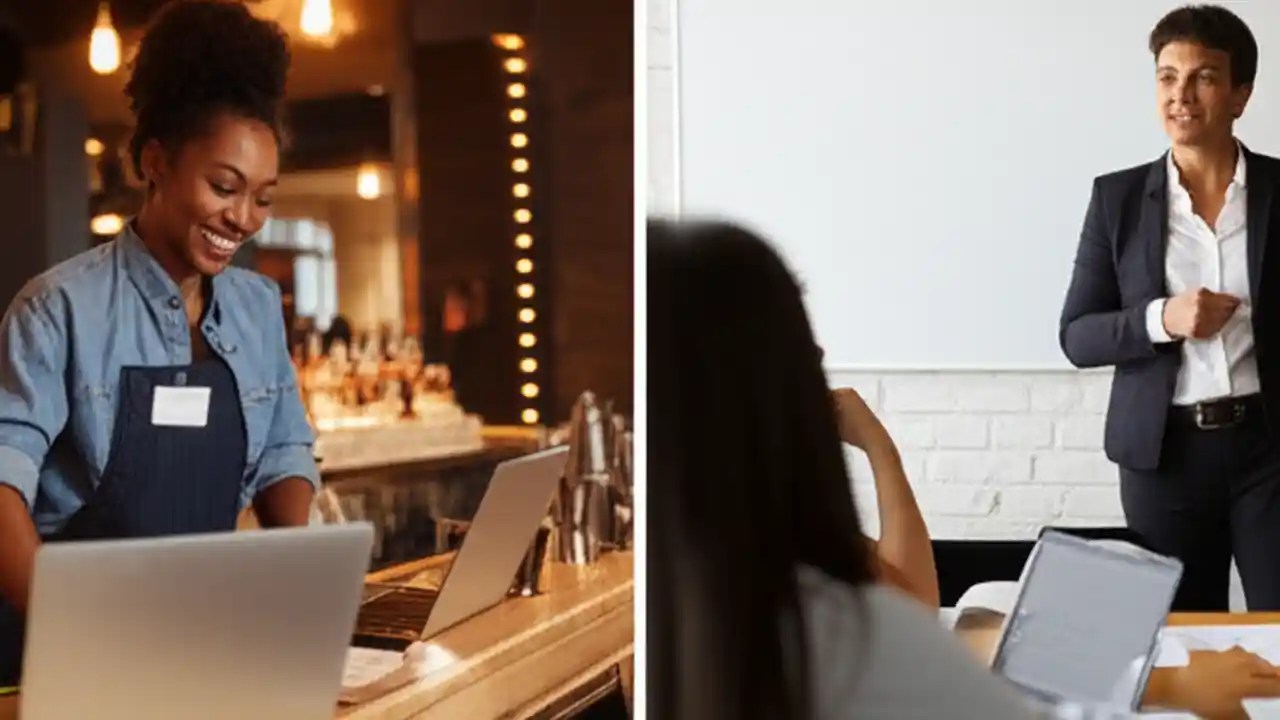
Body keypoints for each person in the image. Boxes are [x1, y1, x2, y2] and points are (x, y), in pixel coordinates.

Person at [0, 0, 318, 683]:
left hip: (201, 640)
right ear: (156, 162)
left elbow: (284, 454)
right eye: (223, 187)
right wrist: (73, 631)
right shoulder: (59, 308)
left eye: (263, 197)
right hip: (70, 658)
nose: (242, 219)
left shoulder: (259, 309)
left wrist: (307, 589)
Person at [648, 219, 1033, 719]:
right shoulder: (847, 637)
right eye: (810, 362)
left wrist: (879, 448)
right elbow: (913, 609)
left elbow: (909, 596)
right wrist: (877, 446)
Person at [1060, 5, 1280, 611]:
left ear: (1240, 94)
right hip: (1164, 458)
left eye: (1204, 77)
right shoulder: (1118, 199)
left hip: (1269, 449)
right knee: (1182, 637)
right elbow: (1077, 335)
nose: (1180, 95)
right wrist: (1164, 318)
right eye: (1166, 76)